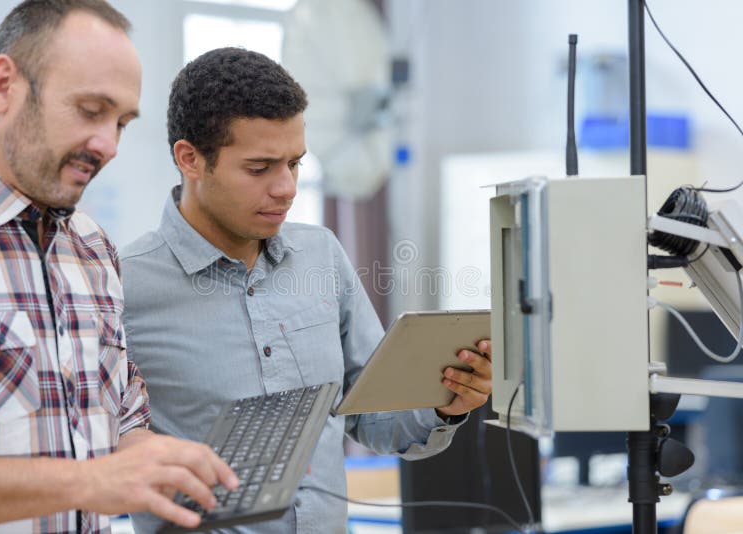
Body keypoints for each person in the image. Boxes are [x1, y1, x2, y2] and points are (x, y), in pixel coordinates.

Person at [120, 47, 492, 533]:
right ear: (190, 159)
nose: (287, 187)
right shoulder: (120, 286)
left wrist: (446, 404)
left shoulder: (321, 255)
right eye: (260, 168)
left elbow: (372, 416)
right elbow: (102, 460)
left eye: (294, 163)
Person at [0, 2, 237, 533]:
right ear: (4, 84)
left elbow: (122, 422)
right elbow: (95, 477)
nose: (109, 145)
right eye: (89, 110)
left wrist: (177, 465)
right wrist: (89, 480)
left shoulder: (93, 249)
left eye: (121, 122)